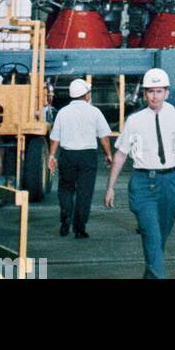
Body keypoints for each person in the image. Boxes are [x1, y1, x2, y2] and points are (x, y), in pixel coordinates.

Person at [105, 68, 175, 279]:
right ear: (144, 94)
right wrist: (110, 187)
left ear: (167, 93)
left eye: (159, 91)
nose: (155, 96)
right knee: (152, 236)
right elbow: (120, 155)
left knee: (159, 239)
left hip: (170, 184)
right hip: (142, 185)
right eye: (150, 91)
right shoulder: (135, 120)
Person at [47, 78, 112, 237]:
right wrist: (108, 154)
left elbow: (55, 137)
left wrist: (51, 156)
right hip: (87, 156)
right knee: (85, 192)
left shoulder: (63, 112)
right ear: (86, 95)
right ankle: (79, 228)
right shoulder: (94, 112)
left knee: (66, 189)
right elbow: (103, 137)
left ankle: (65, 219)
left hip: (67, 155)